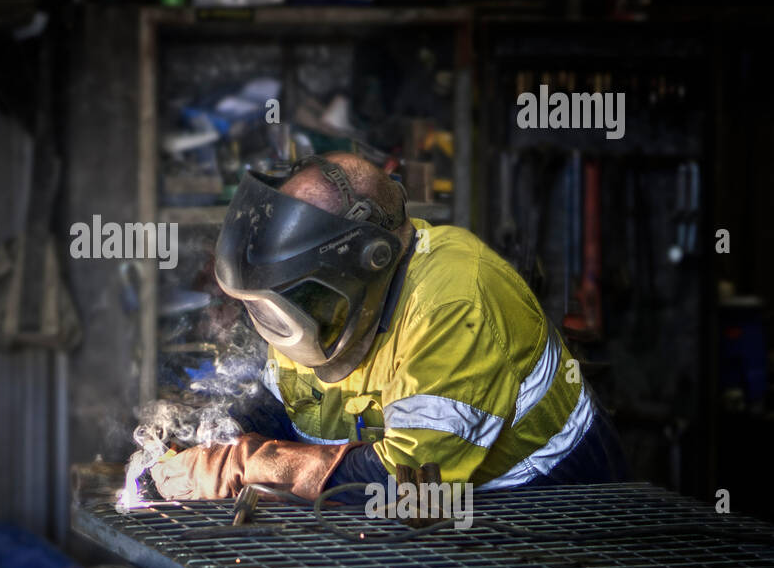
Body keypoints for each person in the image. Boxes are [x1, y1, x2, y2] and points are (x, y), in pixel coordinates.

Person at [150, 152, 627, 501]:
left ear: (368, 262)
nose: (275, 323)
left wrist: (245, 465)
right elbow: (287, 405)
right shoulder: (308, 297)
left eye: (303, 298)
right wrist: (214, 434)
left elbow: (406, 484)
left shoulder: (455, 302)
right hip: (449, 521)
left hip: (545, 508)